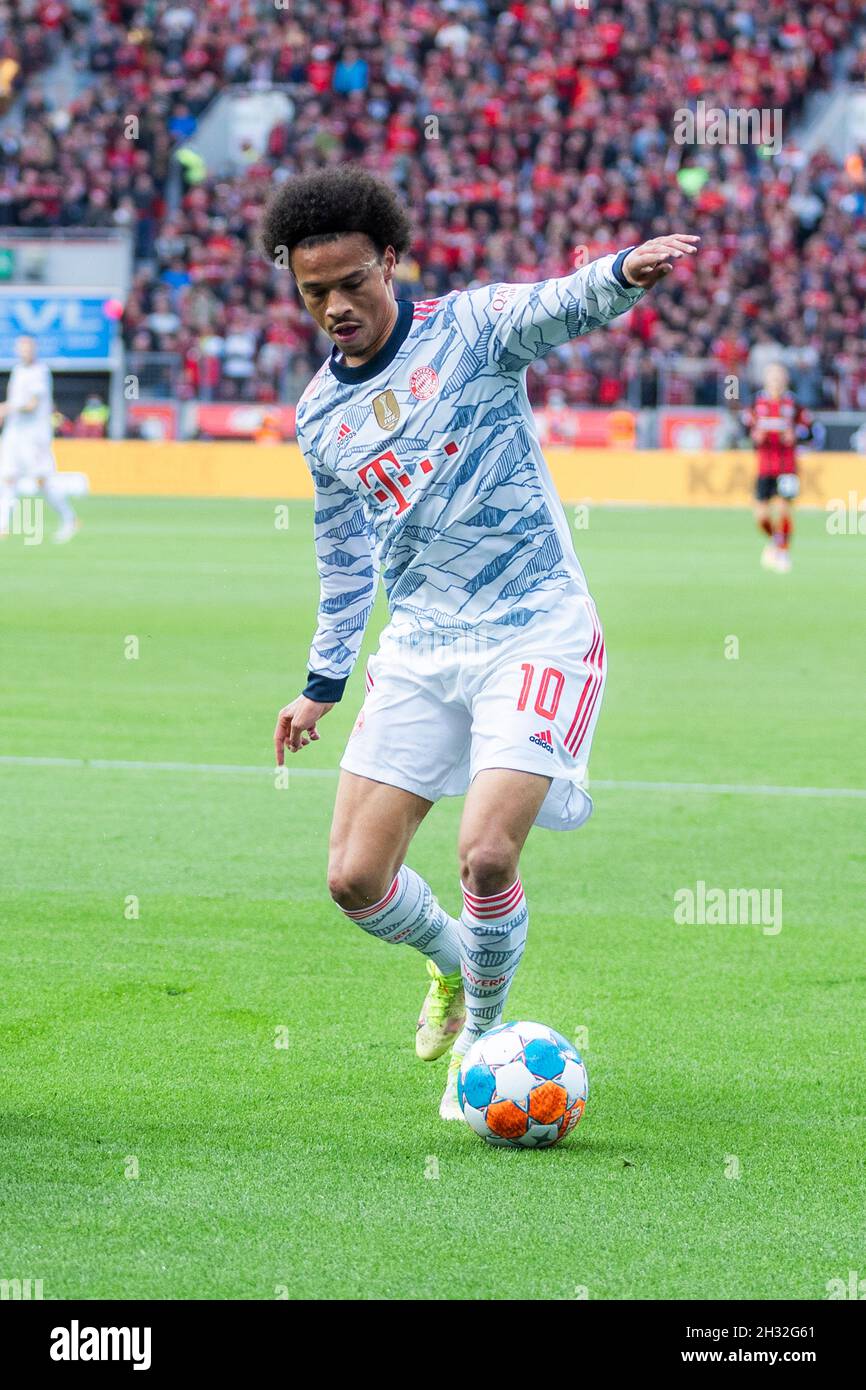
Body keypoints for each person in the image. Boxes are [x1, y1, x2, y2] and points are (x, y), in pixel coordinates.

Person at [263, 166, 699, 1122]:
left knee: (487, 859)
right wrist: (322, 683)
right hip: (422, 645)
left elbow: (556, 306)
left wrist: (622, 270)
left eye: (352, 283)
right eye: (313, 293)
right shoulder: (319, 418)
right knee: (352, 879)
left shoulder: (466, 330)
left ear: (390, 259)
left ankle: (483, 1042)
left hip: (535, 626)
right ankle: (455, 964)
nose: (335, 306)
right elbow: (344, 557)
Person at [0, 337, 78, 542]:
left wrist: (6, 408)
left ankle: (69, 518)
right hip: (14, 434)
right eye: (20, 347)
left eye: (27, 347)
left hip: (34, 436)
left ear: (34, 349)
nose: (23, 350)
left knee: (42, 480)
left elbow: (32, 404)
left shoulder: (39, 372)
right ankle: (3, 526)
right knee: (7, 477)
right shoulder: (18, 370)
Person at [742, 362, 812, 573]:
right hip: (764, 467)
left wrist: (796, 435)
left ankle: (783, 552)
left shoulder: (794, 404)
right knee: (761, 516)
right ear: (765, 380)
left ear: (785, 380)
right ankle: (776, 542)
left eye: (779, 377)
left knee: (783, 509)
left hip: (787, 467)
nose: (776, 381)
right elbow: (745, 429)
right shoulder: (756, 403)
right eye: (772, 377)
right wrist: (754, 436)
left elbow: (810, 430)